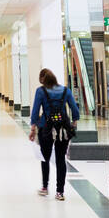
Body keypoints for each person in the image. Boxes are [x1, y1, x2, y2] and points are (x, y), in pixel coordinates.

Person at [30, 68, 80, 200]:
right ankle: (60, 192)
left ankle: (45, 188)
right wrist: (74, 123)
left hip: (46, 129)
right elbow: (75, 110)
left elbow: (35, 112)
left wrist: (33, 128)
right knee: (60, 159)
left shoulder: (40, 91)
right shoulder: (66, 91)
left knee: (45, 158)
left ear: (42, 80)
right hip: (63, 129)